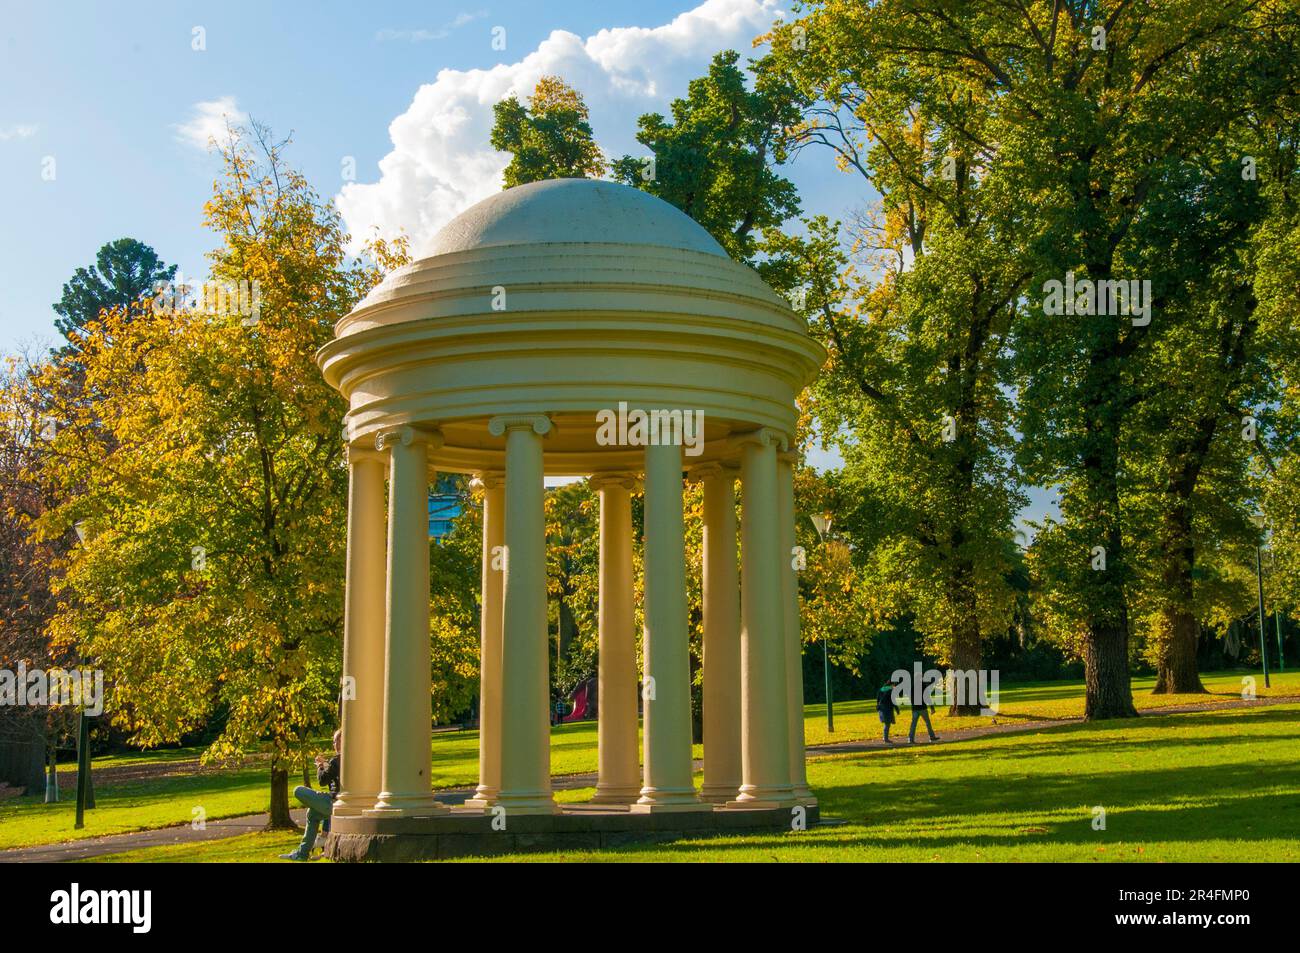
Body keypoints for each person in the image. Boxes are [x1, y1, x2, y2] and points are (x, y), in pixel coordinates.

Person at [279, 729, 340, 861]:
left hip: (335, 803)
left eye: (338, 741)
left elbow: (322, 780)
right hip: (336, 803)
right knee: (312, 814)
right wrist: (325, 765)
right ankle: (303, 853)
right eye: (335, 741)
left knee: (298, 791)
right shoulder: (345, 760)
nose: (336, 744)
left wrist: (319, 766)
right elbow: (332, 776)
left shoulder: (337, 760)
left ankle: (313, 845)